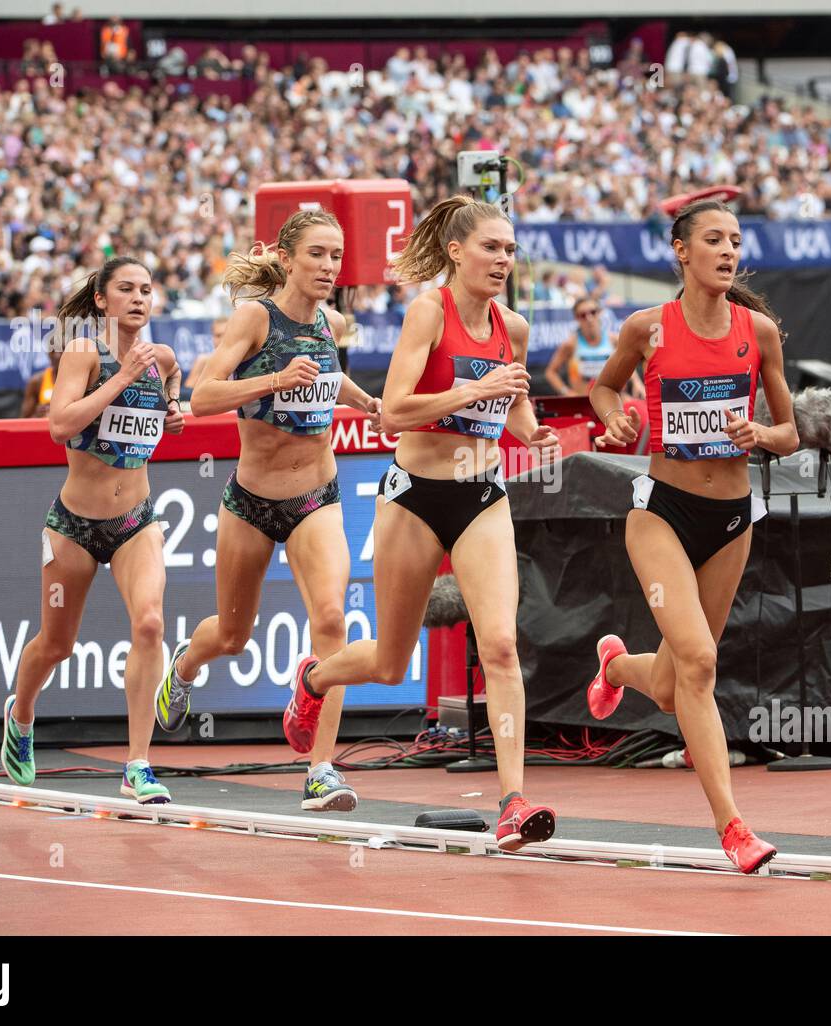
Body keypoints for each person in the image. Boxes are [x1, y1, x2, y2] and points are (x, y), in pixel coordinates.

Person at [280, 195, 562, 851]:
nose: (503, 260)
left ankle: (513, 802)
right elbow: (396, 411)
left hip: (481, 494)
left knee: (499, 646)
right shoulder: (429, 311)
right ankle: (315, 679)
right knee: (387, 660)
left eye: (511, 250)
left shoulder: (511, 327)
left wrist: (536, 433)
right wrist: (468, 393)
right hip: (412, 495)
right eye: (492, 248)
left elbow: (515, 410)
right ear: (458, 251)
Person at [586, 198, 799, 874]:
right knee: (701, 666)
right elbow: (602, 391)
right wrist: (616, 419)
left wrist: (761, 435)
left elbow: (791, 434)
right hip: (662, 513)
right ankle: (733, 827)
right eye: (713, 239)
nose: (728, 250)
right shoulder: (646, 328)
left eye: (735, 240)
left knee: (680, 679)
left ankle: (617, 666)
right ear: (681, 250)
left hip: (732, 518)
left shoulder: (758, 332)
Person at [154, 210, 382, 812]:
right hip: (251, 501)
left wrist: (369, 403)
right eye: (316, 254)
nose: (329, 267)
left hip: (316, 495)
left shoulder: (332, 323)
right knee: (232, 634)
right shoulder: (256, 317)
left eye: (336, 256)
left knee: (332, 617)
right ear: (286, 258)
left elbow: (330, 379)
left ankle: (322, 770)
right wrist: (274, 379)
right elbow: (203, 396)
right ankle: (184, 666)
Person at [2, 257, 184, 803]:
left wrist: (172, 405)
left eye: (146, 290)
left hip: (136, 519)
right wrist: (124, 379)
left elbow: (172, 377)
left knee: (150, 624)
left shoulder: (164, 357)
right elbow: (59, 425)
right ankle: (23, 712)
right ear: (102, 300)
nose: (138, 298)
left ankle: (137, 765)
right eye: (125, 289)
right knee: (57, 644)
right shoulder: (85, 354)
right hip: (73, 525)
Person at [544, 294, 644, 399]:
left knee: (637, 407)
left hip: (614, 401)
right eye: (583, 315)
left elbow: (626, 364)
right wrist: (566, 392)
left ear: (599, 313)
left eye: (593, 312)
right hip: (584, 403)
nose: (589, 318)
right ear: (576, 318)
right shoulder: (570, 344)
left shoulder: (614, 340)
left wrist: (637, 382)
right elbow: (550, 372)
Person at [20, 345, 61, 418]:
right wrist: (37, 415)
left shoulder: (80, 380)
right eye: (53, 351)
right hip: (44, 428)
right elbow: (24, 419)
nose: (57, 355)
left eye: (62, 351)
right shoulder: (36, 381)